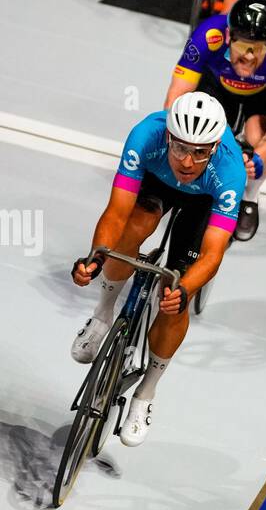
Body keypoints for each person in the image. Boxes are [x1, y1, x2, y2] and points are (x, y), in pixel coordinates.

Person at [70, 94, 245, 446]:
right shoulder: (144, 137)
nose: (188, 161)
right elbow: (116, 213)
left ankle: (146, 393)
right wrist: (95, 257)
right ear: (168, 137)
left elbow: (212, 254)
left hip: (203, 204)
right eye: (181, 148)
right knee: (133, 227)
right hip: (156, 182)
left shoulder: (230, 170)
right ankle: (103, 316)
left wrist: (184, 290)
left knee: (177, 288)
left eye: (200, 152)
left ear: (214, 148)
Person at [164, 0, 266, 242]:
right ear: (228, 38)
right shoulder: (207, 35)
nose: (248, 57)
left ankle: (250, 196)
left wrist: (258, 157)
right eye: (242, 48)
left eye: (257, 49)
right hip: (216, 85)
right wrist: (180, 135)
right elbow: (177, 95)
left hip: (261, 93)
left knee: (259, 139)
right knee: (199, 131)